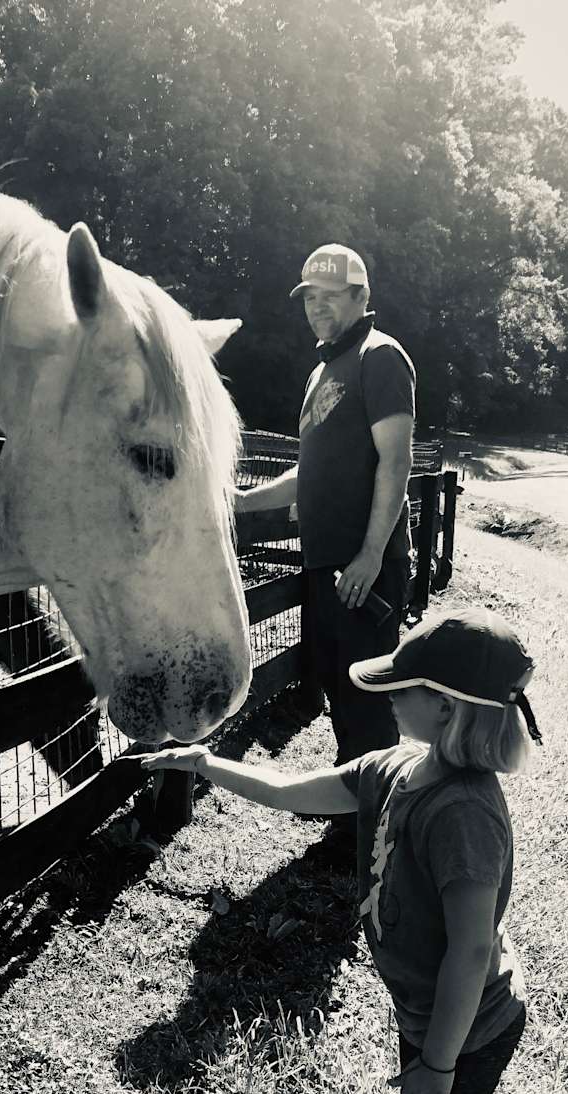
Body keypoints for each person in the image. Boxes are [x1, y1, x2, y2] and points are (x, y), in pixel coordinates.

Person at [142, 609, 542, 1094]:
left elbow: (471, 951)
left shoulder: (465, 815)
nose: (386, 693)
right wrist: (209, 766)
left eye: (404, 685)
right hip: (431, 1017)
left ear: (445, 707)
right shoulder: (396, 769)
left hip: (470, 1026)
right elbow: (300, 791)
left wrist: (438, 1065)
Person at [236, 242, 416, 765]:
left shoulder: (379, 358)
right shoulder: (322, 373)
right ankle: (353, 792)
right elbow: (309, 473)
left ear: (361, 297)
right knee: (339, 684)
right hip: (325, 563)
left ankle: (374, 804)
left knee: (366, 692)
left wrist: (371, 554)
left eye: (331, 296)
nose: (318, 306)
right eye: (310, 296)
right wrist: (245, 501)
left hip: (362, 566)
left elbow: (396, 461)